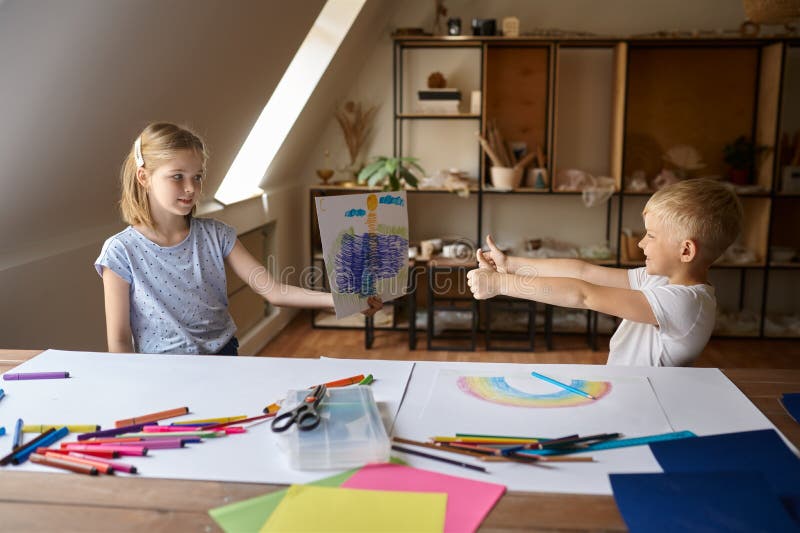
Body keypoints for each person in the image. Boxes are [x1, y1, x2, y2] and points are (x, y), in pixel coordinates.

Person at [95, 122, 380, 355]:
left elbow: (273, 291)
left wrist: (339, 299)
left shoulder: (217, 235)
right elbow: (119, 341)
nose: (190, 188)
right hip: (161, 372)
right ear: (144, 177)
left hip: (224, 358)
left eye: (197, 177)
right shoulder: (120, 251)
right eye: (177, 176)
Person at [467, 178, 743, 366]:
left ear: (686, 251)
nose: (640, 243)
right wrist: (511, 265)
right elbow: (583, 272)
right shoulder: (659, 280)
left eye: (651, 236)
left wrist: (501, 285)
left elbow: (583, 295)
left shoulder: (685, 303)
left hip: (647, 405)